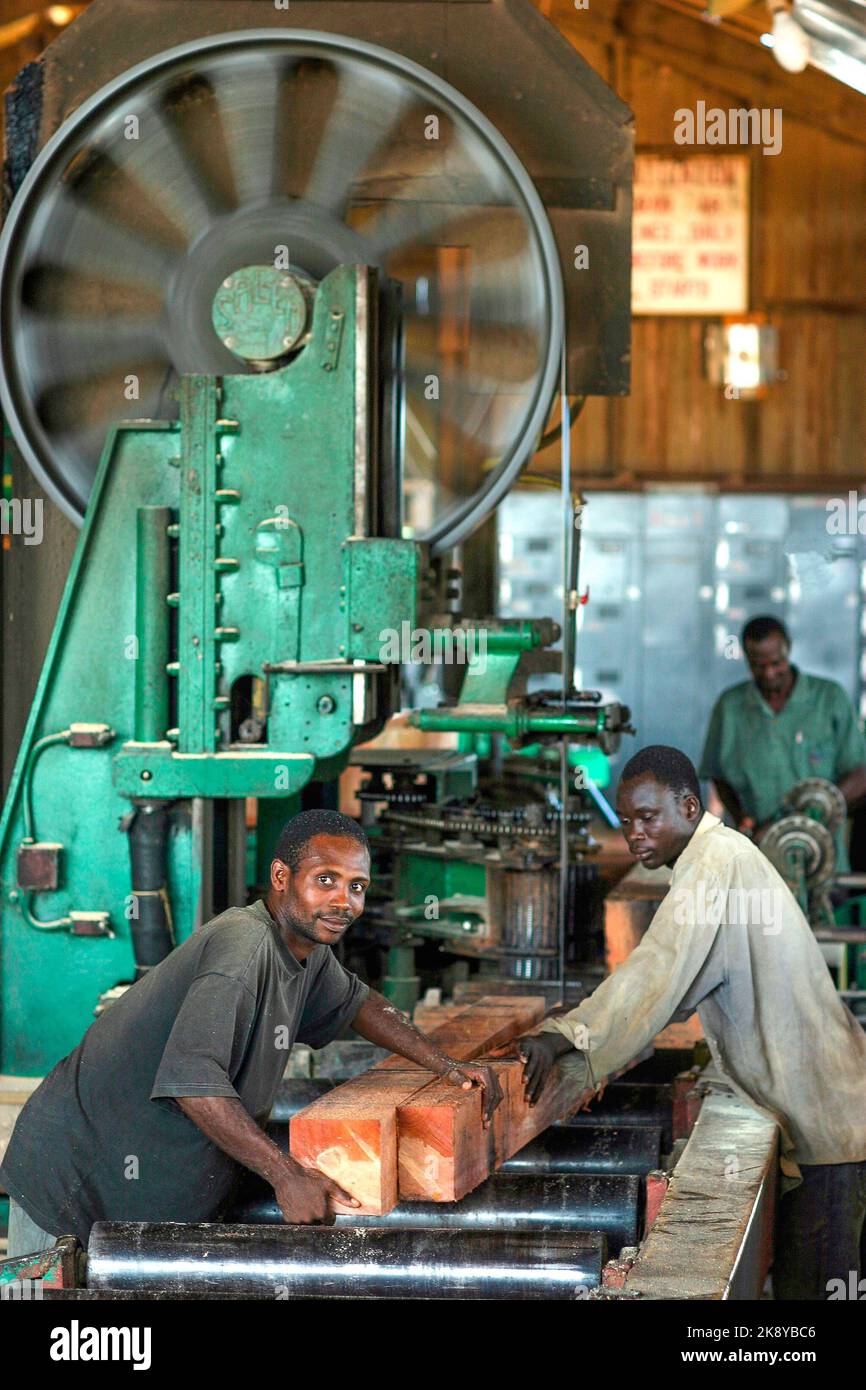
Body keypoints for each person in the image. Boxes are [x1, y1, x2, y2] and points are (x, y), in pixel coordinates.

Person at [1, 809, 501, 1256]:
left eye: (356, 886)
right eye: (325, 879)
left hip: (146, 1206)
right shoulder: (244, 949)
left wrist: (445, 1066)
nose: (343, 901)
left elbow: (360, 1004)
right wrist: (286, 1175)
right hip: (71, 1195)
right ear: (281, 877)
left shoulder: (306, 951)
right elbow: (194, 1084)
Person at [517, 746, 866, 1300]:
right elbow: (679, 987)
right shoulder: (721, 855)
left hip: (832, 1130)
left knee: (818, 1295)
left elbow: (661, 967)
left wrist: (568, 1037)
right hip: (826, 1113)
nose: (634, 833)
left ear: (687, 806)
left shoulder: (712, 862)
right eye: (626, 820)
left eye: (648, 818)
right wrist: (586, 1025)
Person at [700, 615, 866, 869]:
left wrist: (799, 821)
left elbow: (859, 775)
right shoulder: (730, 706)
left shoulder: (829, 699)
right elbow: (718, 775)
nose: (768, 672)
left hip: (823, 861)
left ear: (787, 649)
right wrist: (743, 820)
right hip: (757, 859)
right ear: (746, 658)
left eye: (776, 663)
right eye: (758, 665)